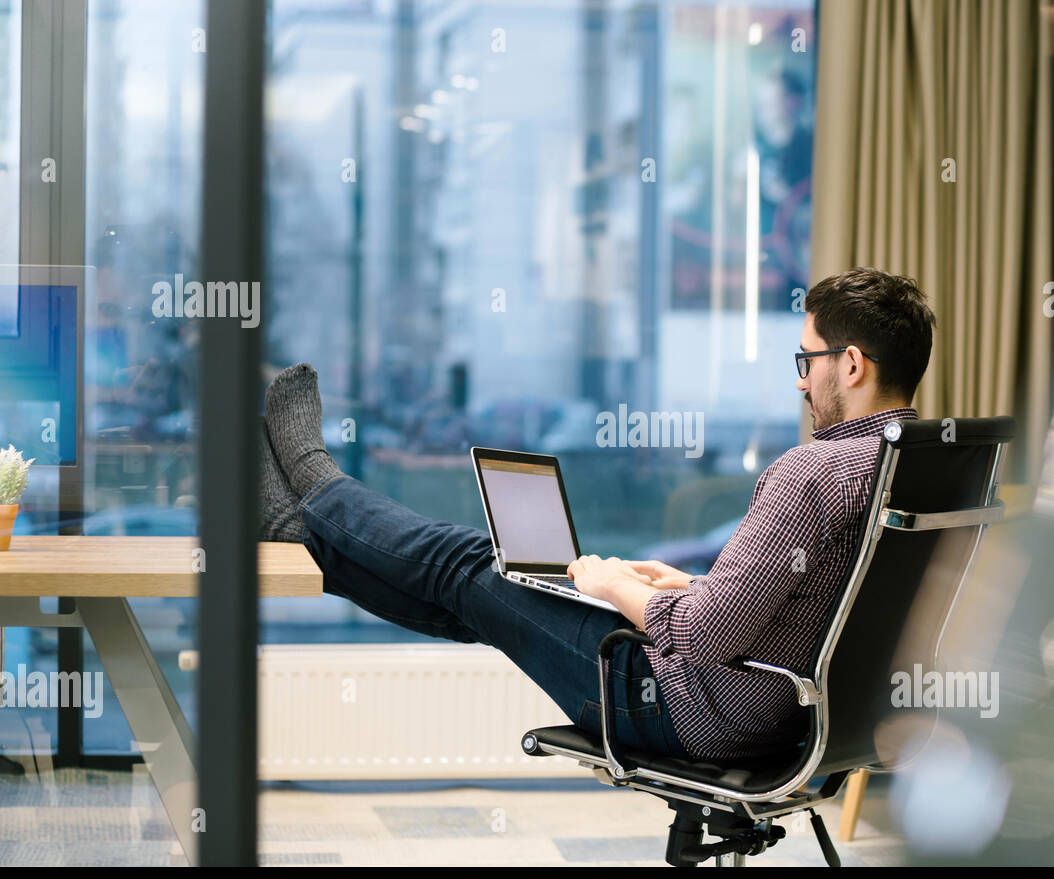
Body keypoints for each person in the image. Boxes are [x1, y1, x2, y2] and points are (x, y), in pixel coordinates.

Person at [258, 267, 936, 764]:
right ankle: (299, 530)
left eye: (807, 359)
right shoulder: (919, 469)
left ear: (850, 365)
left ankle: (314, 478)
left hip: (684, 710)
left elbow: (700, 639)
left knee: (472, 565)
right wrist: (689, 585)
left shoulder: (811, 472)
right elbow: (825, 604)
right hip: (784, 717)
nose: (799, 379)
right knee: (484, 597)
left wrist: (614, 585)